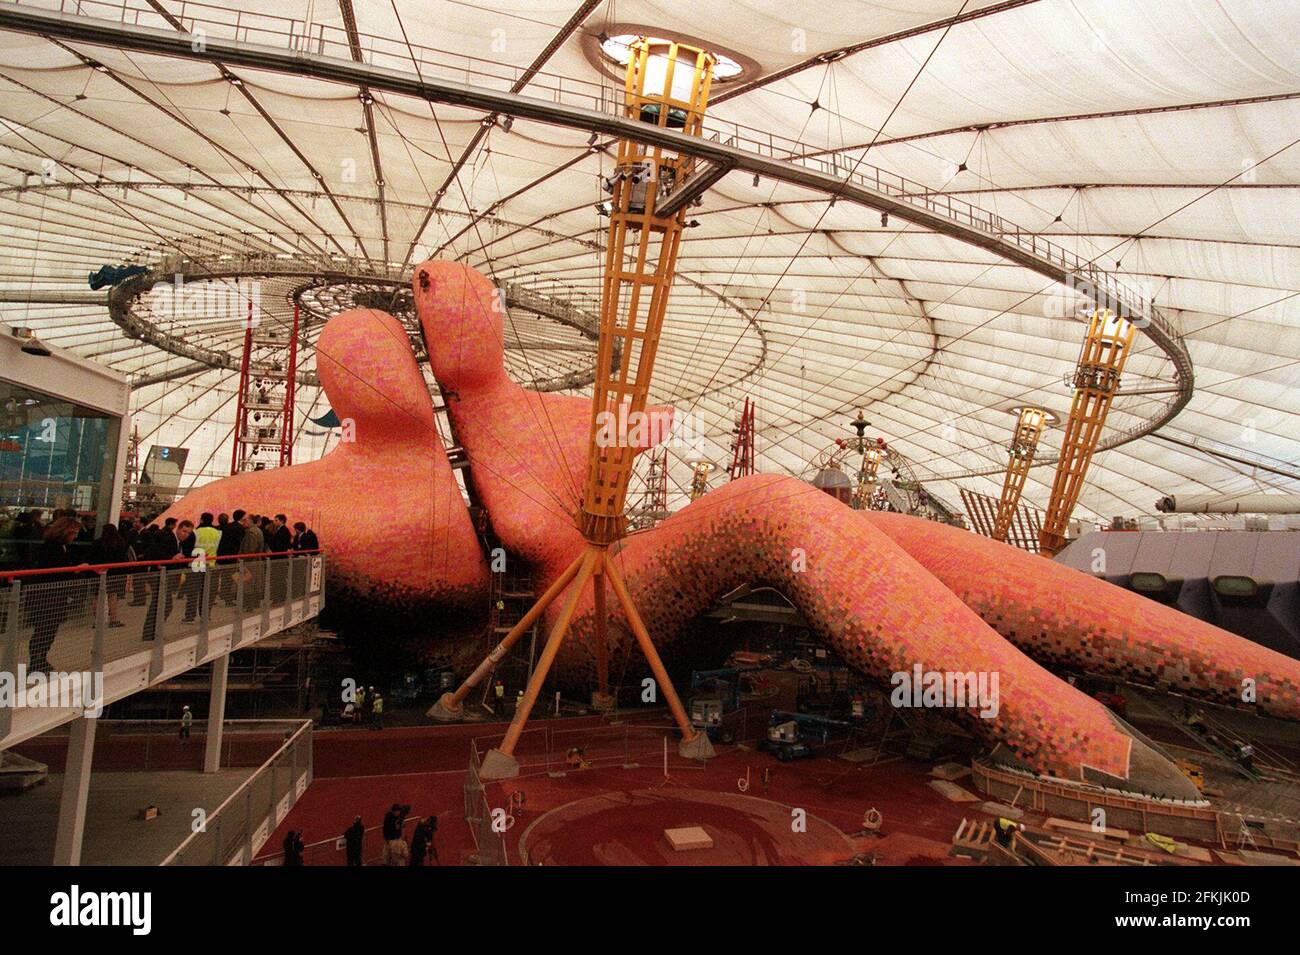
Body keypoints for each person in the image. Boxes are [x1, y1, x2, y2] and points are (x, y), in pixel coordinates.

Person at [23, 517, 85, 672]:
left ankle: (40, 659)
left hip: (51, 595)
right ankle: (37, 661)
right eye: (74, 533)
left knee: (48, 629)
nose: (75, 537)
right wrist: (75, 570)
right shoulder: (53, 548)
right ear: (66, 532)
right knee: (45, 628)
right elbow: (54, 571)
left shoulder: (57, 547)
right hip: (47, 595)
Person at [143, 519, 194, 642]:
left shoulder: (177, 542)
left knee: (160, 605)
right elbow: (155, 553)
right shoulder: (169, 539)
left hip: (164, 576)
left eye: (188, 533)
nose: (185, 535)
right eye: (184, 531)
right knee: (162, 605)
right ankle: (152, 632)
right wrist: (171, 558)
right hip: (159, 576)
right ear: (178, 529)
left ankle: (152, 632)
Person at [88, 523, 129, 627]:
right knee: (113, 595)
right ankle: (113, 620)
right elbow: (123, 559)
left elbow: (91, 558)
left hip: (98, 572)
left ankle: (97, 621)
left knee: (96, 596)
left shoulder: (97, 543)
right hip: (114, 573)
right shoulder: (120, 543)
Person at [237, 511, 265, 610]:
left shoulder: (251, 533)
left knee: (248, 585)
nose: (243, 523)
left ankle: (249, 605)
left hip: (250, 563)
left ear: (250, 521)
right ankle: (252, 604)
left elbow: (249, 549)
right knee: (254, 584)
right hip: (256, 561)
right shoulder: (258, 531)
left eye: (245, 520)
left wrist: (242, 559)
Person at [217, 509, 245, 605]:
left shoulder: (228, 526)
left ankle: (224, 594)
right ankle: (228, 598)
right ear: (242, 517)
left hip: (222, 555)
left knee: (225, 576)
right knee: (230, 577)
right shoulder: (240, 528)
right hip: (232, 556)